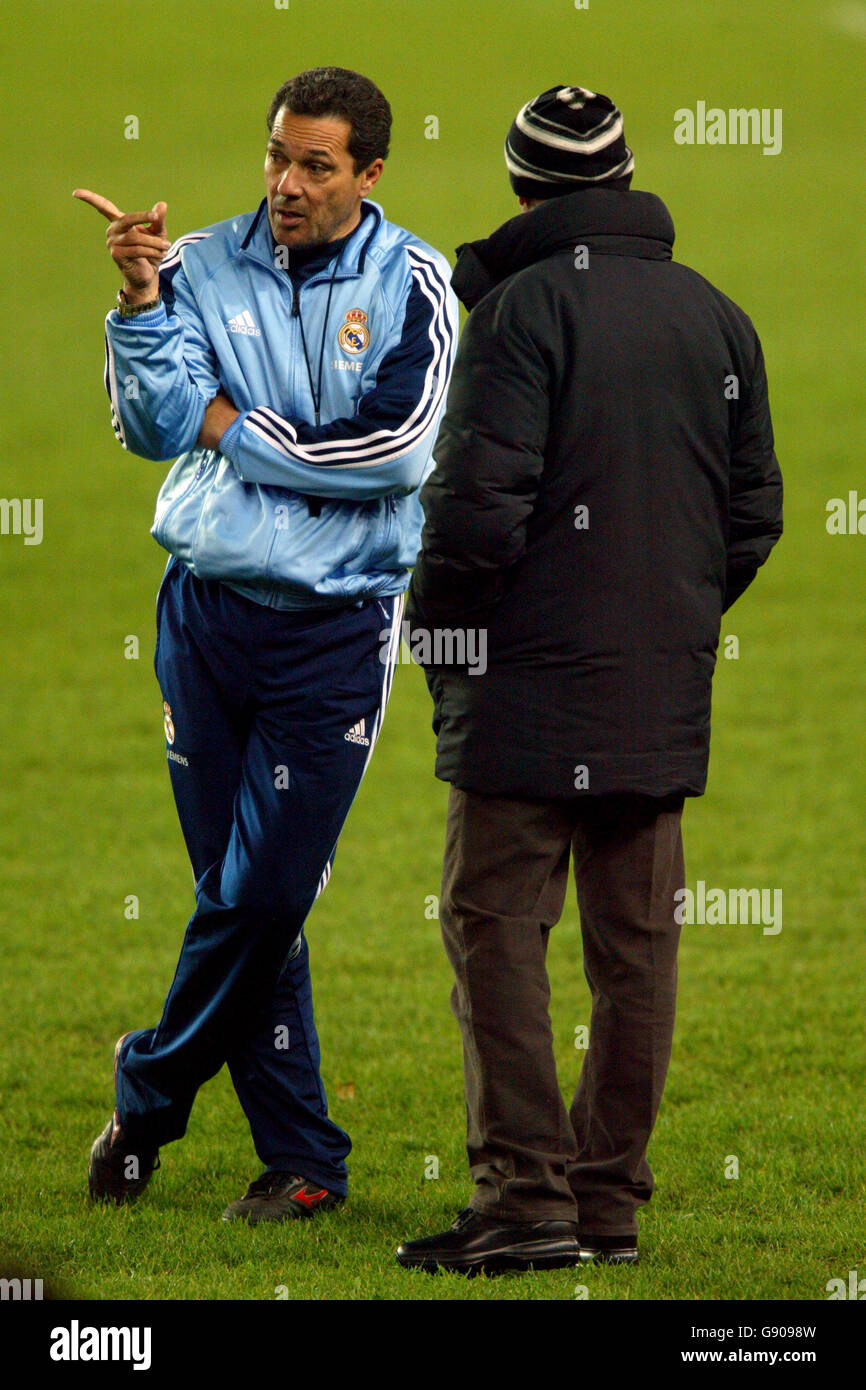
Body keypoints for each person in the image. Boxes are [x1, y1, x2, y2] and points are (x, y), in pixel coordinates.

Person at [397, 84, 782, 1274]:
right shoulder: (714, 315)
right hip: (651, 692)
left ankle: (523, 1203)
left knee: (496, 930)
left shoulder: (515, 313)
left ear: (519, 188)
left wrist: (441, 644)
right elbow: (753, 514)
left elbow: (472, 515)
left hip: (521, 688)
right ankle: (605, 1203)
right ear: (621, 183)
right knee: (635, 950)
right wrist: (660, 622)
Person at [76, 66, 457, 1223]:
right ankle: (302, 1162)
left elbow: (392, 451)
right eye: (276, 157)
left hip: (334, 631)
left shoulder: (418, 284)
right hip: (204, 615)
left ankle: (147, 1093)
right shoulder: (191, 263)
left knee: (264, 889)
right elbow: (150, 428)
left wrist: (235, 427)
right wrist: (142, 304)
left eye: (316, 164)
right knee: (239, 897)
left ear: (370, 173)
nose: (286, 184)